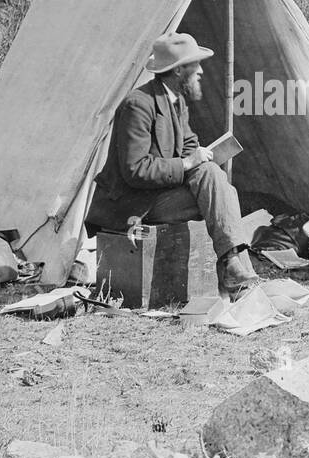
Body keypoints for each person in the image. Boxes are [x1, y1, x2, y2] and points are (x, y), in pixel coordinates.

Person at [86, 32, 259, 296]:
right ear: (178, 70)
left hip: (159, 196)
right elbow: (135, 170)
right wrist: (188, 163)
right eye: (195, 65)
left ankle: (234, 270)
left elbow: (189, 147)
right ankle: (234, 271)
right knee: (220, 190)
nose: (201, 71)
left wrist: (203, 156)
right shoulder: (138, 105)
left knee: (215, 178)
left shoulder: (176, 102)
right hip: (133, 204)